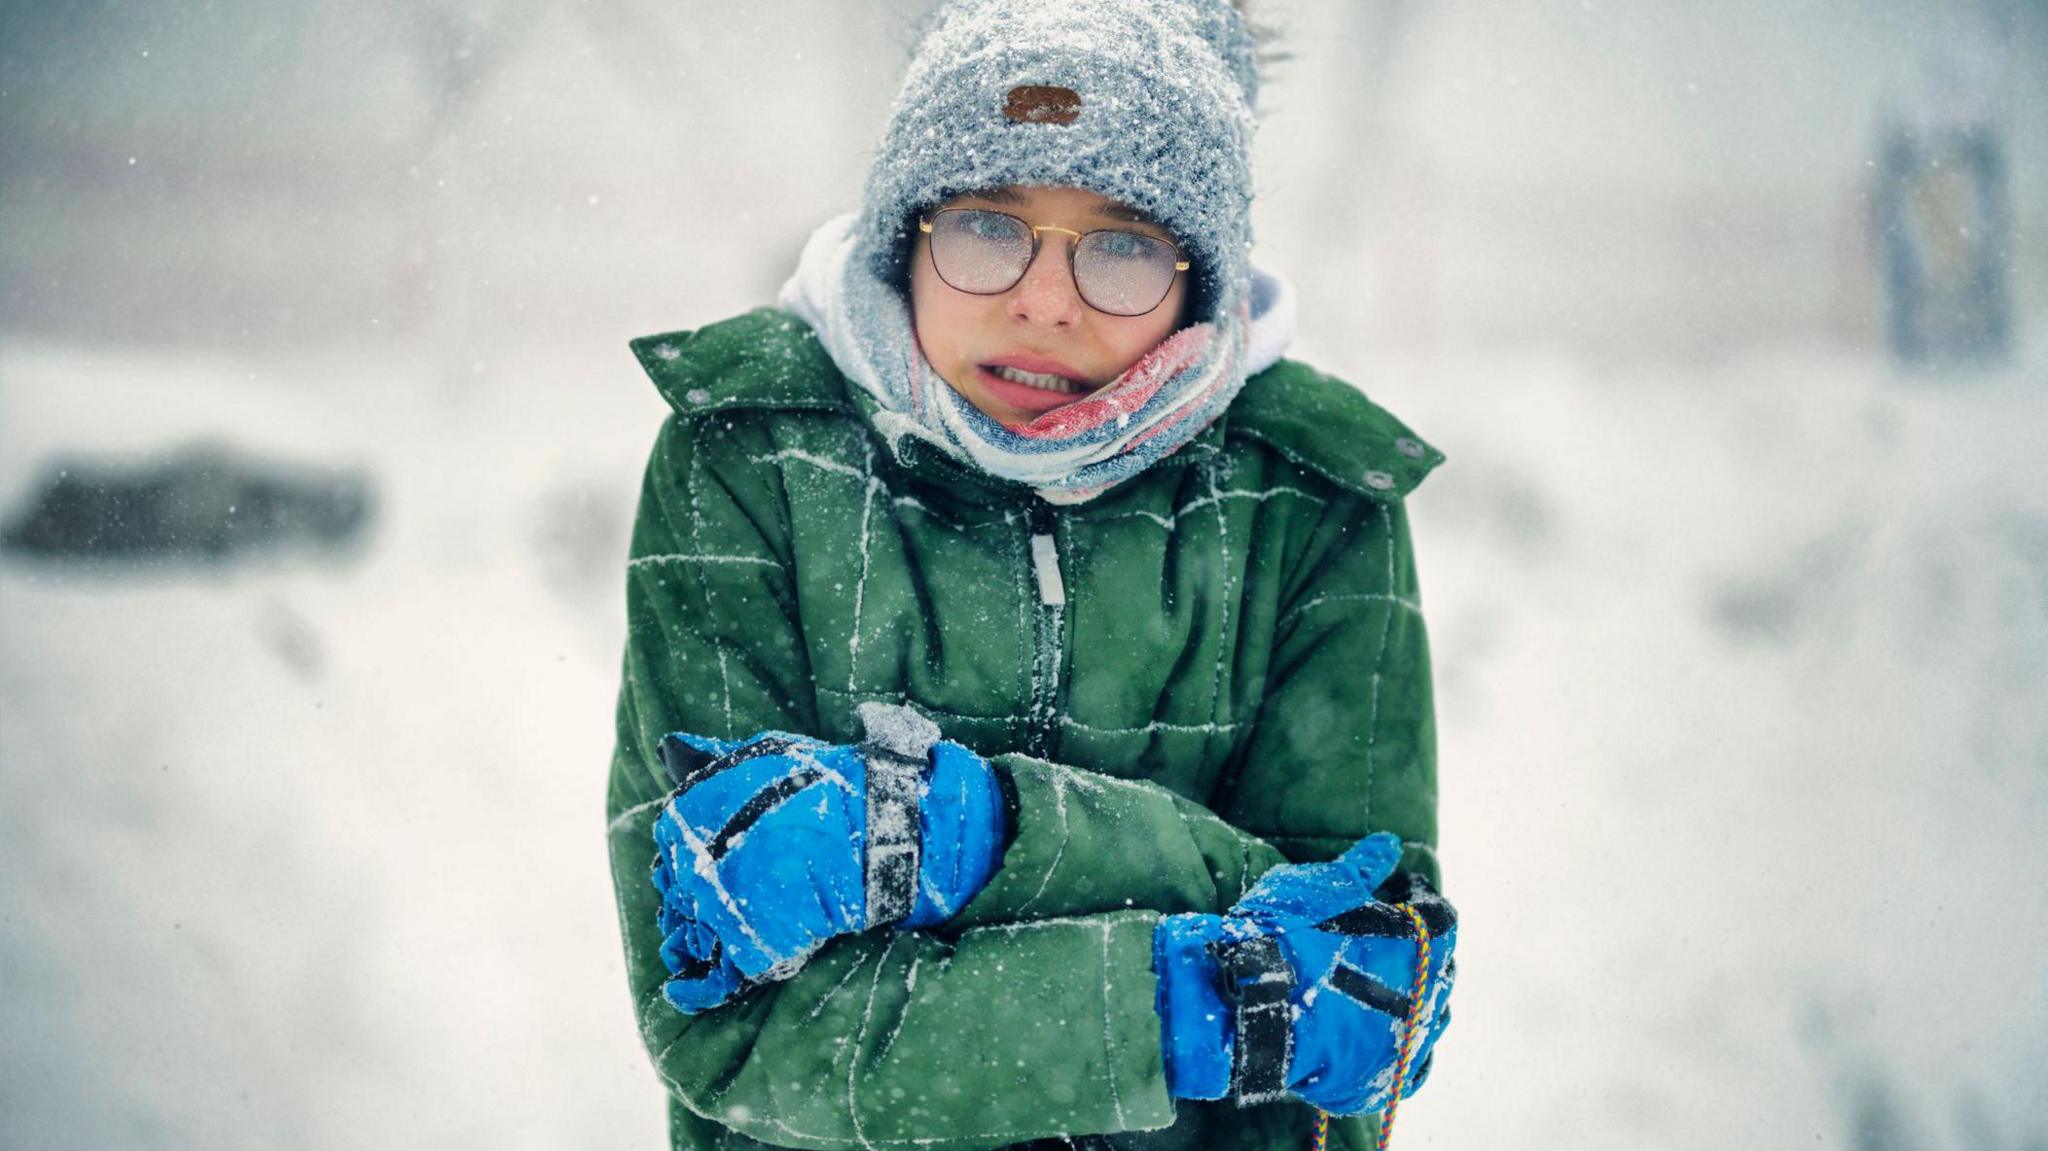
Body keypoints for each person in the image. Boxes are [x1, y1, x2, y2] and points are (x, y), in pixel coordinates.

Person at [604, 2, 1457, 1148]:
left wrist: (965, 836)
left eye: (1120, 242)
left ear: (1197, 275)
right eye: (986, 223)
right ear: (904, 231)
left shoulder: (1308, 497)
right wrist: (1192, 997)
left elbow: (1357, 991)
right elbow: (733, 1030)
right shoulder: (752, 452)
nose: (1044, 300)